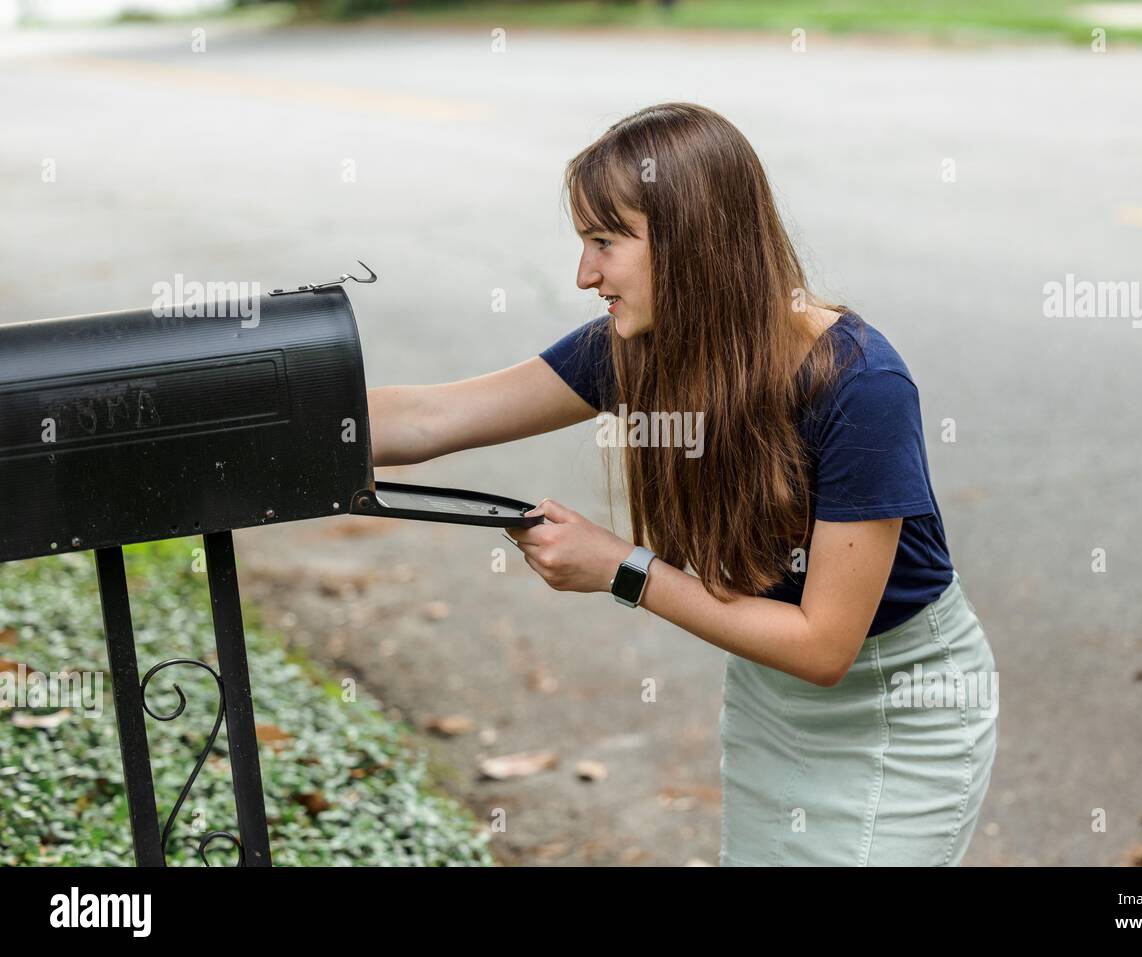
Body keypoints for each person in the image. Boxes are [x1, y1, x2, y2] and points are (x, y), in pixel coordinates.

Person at [368, 102, 998, 866]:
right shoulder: (639, 346)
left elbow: (825, 644)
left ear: (693, 240)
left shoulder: (861, 383)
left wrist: (622, 571)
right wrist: (251, 411)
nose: (584, 274)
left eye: (605, 242)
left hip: (901, 707)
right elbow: (434, 417)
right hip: (773, 699)